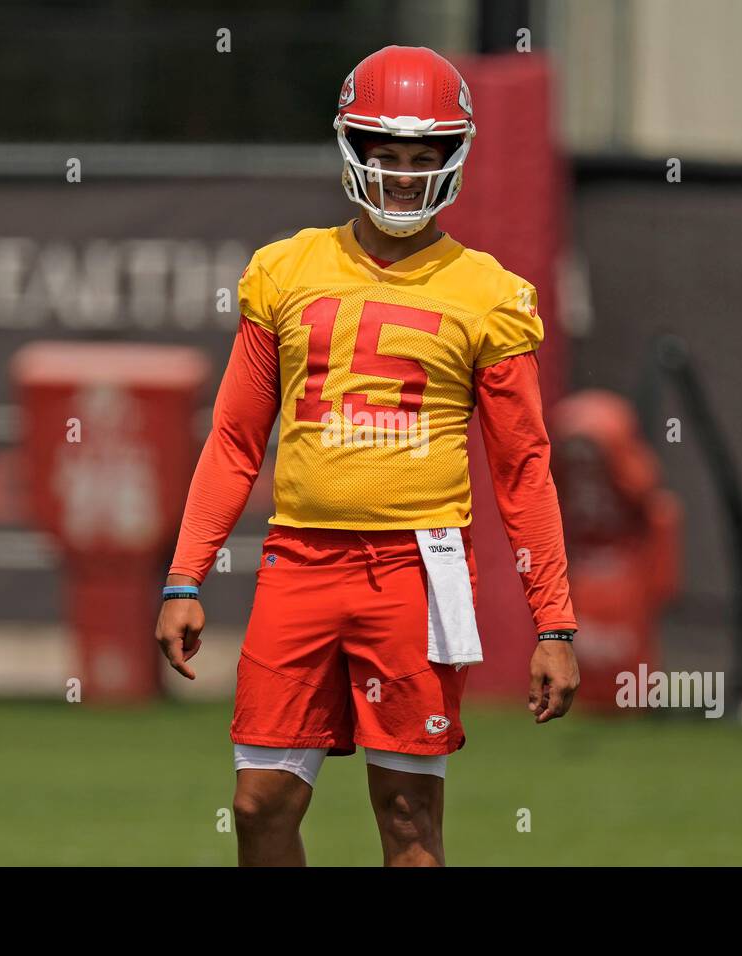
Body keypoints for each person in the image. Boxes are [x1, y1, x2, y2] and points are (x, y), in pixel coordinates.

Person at [155, 45, 578, 867]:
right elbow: (237, 439)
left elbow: (523, 469)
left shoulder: (489, 292)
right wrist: (184, 576)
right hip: (299, 561)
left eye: (425, 157)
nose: (405, 176)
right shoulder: (284, 270)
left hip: (419, 571)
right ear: (352, 150)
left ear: (455, 159)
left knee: (409, 820)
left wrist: (553, 620)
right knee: (258, 803)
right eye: (387, 155)